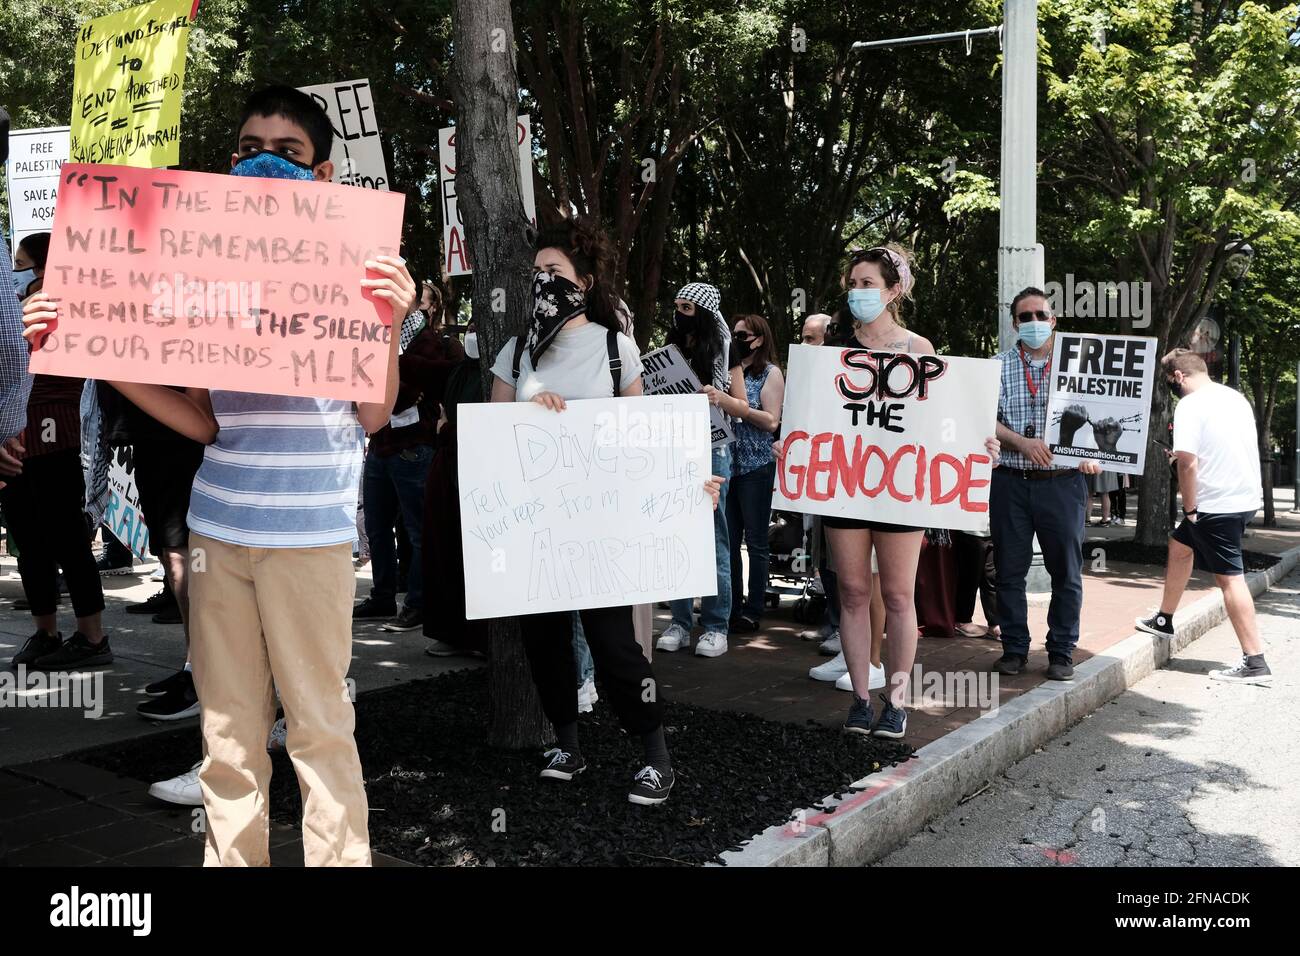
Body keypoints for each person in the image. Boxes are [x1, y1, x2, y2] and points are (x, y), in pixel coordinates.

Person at [24, 85, 415, 865]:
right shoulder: (208, 278)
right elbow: (204, 421)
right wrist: (90, 349)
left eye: (287, 150)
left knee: (318, 725)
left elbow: (373, 417)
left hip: (309, 536)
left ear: (326, 172)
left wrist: (388, 323)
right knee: (228, 732)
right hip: (218, 531)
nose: (262, 159)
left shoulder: (362, 272)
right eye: (245, 148)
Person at [489, 217, 720, 805]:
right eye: (536, 273)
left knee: (615, 644)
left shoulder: (618, 349)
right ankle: (567, 743)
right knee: (544, 642)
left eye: (556, 273)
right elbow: (491, 442)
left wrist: (691, 486)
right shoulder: (513, 355)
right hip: (535, 530)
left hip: (599, 533)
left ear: (584, 282)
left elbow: (641, 440)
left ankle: (655, 755)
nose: (544, 283)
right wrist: (527, 416)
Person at [4, 233, 108, 670]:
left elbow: (60, 369)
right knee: (26, 541)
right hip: (13, 437)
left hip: (52, 434)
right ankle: (46, 629)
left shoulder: (67, 302)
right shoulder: (17, 301)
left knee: (67, 538)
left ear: (45, 264)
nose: (17, 270)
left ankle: (92, 637)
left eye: (23, 262)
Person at [1135, 350, 1270, 683]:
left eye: (1170, 382)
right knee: (1180, 546)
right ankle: (1164, 618)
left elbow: (1188, 464)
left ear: (1179, 377)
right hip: (1241, 497)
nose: (1172, 388)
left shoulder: (1190, 405)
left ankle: (1255, 662)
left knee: (1229, 579)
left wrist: (1191, 509)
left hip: (1214, 504)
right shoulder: (1234, 398)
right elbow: (1217, 449)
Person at [991, 288, 1101, 681]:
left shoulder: (1082, 367)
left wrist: (1094, 454)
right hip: (1009, 482)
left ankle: (1061, 652)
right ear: (1015, 323)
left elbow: (1101, 418)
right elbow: (983, 418)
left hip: (1063, 483)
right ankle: (1014, 650)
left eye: (1041, 314)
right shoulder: (997, 366)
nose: (1034, 322)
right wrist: (1020, 442)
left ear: (1053, 320)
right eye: (1026, 316)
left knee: (1066, 572)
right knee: (1009, 570)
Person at [353, 290, 463, 631]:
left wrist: (393, 373)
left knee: (417, 532)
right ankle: (384, 596)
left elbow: (397, 394)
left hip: (412, 448)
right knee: (377, 526)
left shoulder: (425, 340)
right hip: (382, 445)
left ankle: (416, 604)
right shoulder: (380, 337)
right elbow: (378, 393)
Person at [655, 282, 736, 657]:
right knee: (676, 532)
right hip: (673, 445)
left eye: (688, 308)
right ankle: (679, 621)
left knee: (713, 534)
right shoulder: (671, 349)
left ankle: (716, 625)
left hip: (714, 447)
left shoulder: (725, 351)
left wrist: (718, 397)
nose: (680, 314)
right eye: (677, 306)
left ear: (702, 312)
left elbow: (743, 404)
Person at [704, 314, 783, 631]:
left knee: (756, 541)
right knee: (729, 538)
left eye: (744, 335)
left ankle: (754, 608)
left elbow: (771, 422)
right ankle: (731, 605)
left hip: (756, 465)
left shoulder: (770, 373)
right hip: (728, 466)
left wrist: (737, 407)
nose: (737, 339)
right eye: (734, 334)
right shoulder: (728, 370)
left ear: (760, 339)